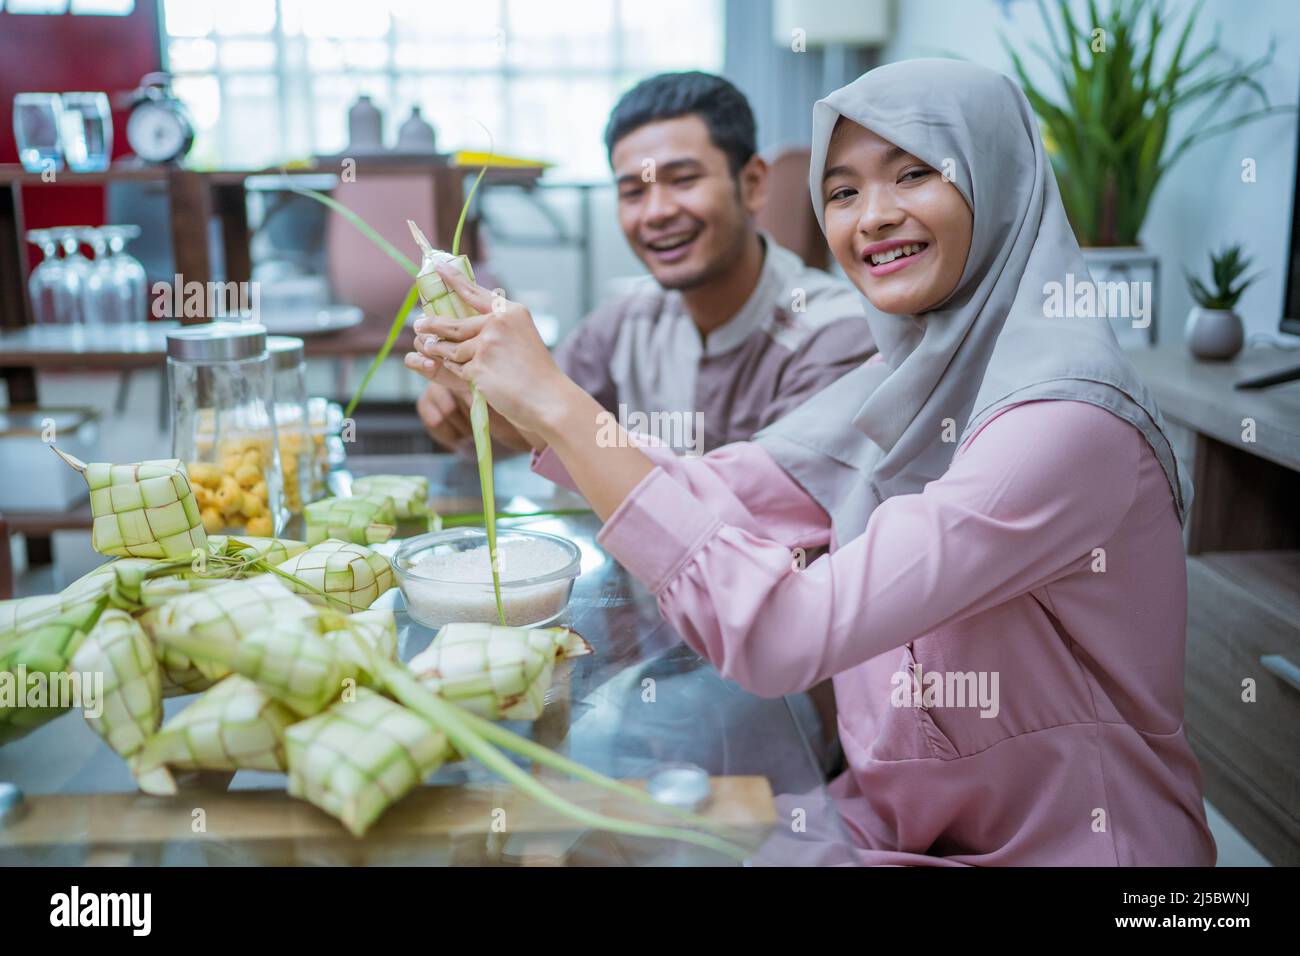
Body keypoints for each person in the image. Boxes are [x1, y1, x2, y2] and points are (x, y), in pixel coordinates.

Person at [408, 59, 1216, 866]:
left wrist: (559, 404)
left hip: (1071, 852)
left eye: (914, 173)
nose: (874, 216)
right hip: (895, 823)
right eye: (842, 192)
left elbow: (788, 631)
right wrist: (532, 410)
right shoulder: (908, 377)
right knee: (596, 845)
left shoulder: (1065, 422)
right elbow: (723, 491)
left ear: (1000, 180)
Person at [408, 71, 873, 457]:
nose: (656, 212)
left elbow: (758, 507)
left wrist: (542, 403)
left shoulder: (834, 336)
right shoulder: (627, 319)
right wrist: (469, 404)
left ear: (752, 183)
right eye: (633, 191)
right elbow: (538, 432)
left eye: (683, 179)